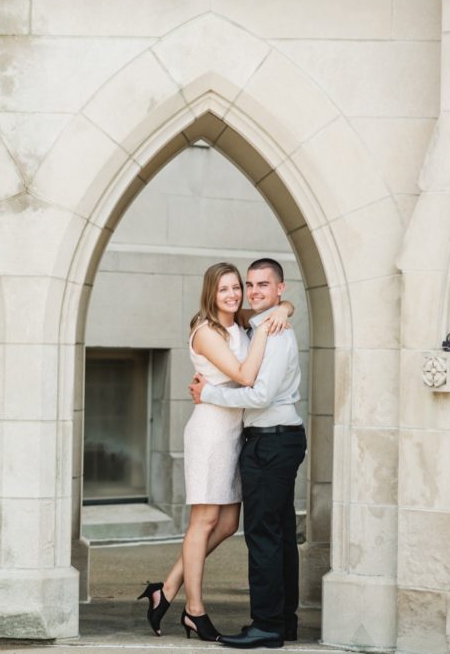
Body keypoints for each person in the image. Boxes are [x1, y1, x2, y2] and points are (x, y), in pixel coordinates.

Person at [139, 262, 294, 642]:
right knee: (204, 522)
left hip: (235, 434)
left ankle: (167, 588)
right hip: (210, 432)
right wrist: (267, 330)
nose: (233, 294)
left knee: (227, 524)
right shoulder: (207, 332)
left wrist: (284, 309)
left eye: (236, 288)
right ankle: (195, 610)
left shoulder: (239, 322)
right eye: (224, 289)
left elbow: (274, 303)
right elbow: (244, 376)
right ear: (211, 293)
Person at [189, 258, 305, 650]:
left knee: (264, 535)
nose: (252, 292)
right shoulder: (258, 325)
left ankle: (267, 626)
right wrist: (283, 310)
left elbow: (257, 393)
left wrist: (208, 394)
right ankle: (283, 620)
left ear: (280, 289)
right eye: (248, 285)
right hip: (268, 440)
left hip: (271, 441)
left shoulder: (273, 332)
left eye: (261, 286)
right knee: (280, 533)